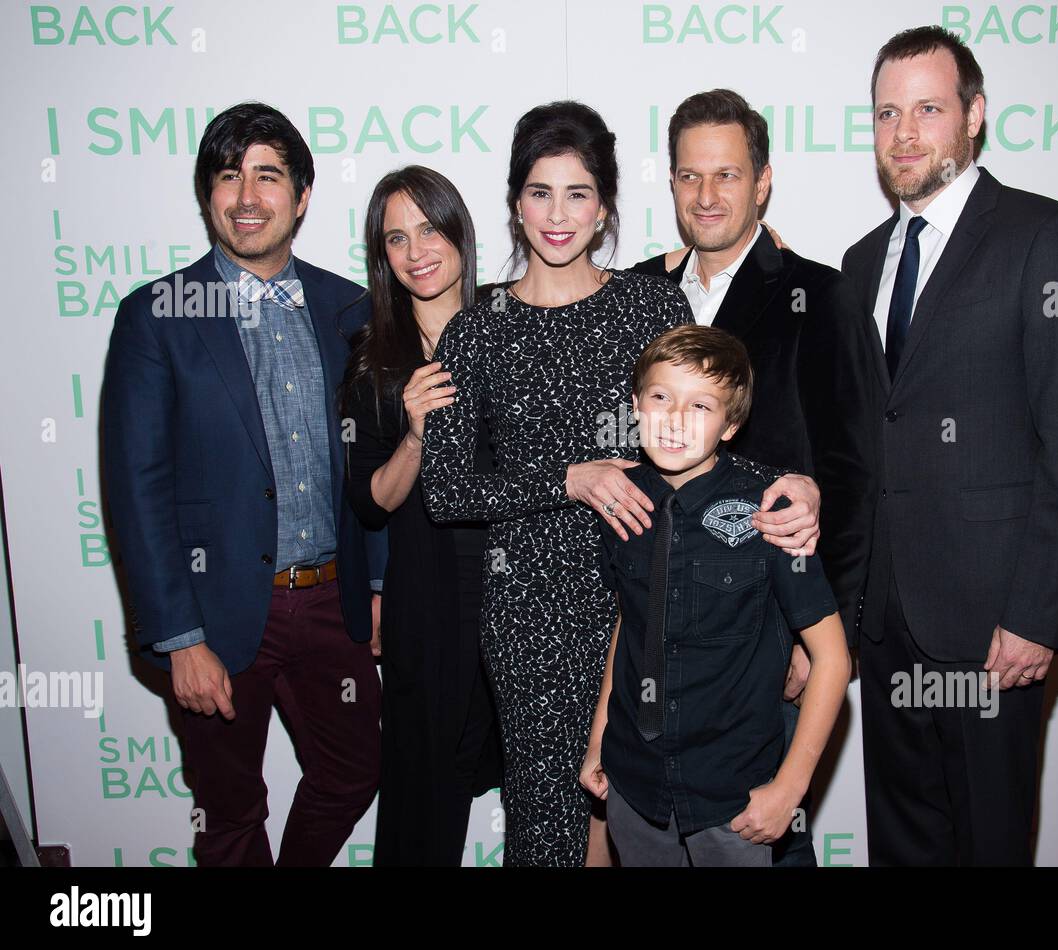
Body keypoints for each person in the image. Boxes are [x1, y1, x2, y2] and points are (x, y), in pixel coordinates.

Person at [419, 101, 823, 867]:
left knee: (644, 826)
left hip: (647, 605)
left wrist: (795, 485)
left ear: (605, 205)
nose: (558, 214)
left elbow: (708, 428)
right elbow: (447, 490)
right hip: (529, 615)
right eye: (540, 192)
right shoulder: (476, 329)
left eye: (579, 194)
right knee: (544, 829)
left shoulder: (649, 303)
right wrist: (569, 477)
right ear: (514, 202)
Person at [840, 27, 1058, 865]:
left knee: (989, 846)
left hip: (994, 629)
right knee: (903, 846)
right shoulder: (860, 264)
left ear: (974, 116)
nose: (906, 133)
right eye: (888, 113)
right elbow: (864, 440)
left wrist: (1037, 615)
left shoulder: (1050, 239)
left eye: (928, 108)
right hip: (886, 623)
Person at [102, 101, 383, 866]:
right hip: (217, 615)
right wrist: (179, 636)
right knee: (230, 808)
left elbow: (373, 461)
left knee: (355, 770)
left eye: (268, 175)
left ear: (302, 195)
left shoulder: (348, 308)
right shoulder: (157, 315)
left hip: (331, 602)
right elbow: (137, 489)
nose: (248, 196)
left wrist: (380, 582)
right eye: (229, 177)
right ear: (206, 196)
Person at [632, 89, 874, 866]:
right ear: (669, 182)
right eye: (689, 176)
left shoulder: (821, 295)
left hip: (766, 628)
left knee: (754, 835)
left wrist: (821, 636)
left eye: (727, 175)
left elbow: (857, 470)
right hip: (656, 623)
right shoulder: (640, 294)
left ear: (762, 181)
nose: (707, 196)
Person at [579, 324, 851, 866]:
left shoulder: (770, 512)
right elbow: (631, 627)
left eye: (701, 406)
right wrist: (599, 739)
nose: (676, 420)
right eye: (661, 397)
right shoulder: (622, 504)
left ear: (731, 425)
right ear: (635, 405)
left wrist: (789, 790)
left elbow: (832, 660)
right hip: (636, 783)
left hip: (735, 796)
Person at [341, 166, 503, 866]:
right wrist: (412, 433)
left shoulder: (512, 321)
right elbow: (369, 500)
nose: (417, 251)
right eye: (397, 239)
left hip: (523, 595)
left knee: (543, 787)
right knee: (421, 801)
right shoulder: (373, 359)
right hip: (429, 601)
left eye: (430, 229)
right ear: (383, 257)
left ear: (461, 232)